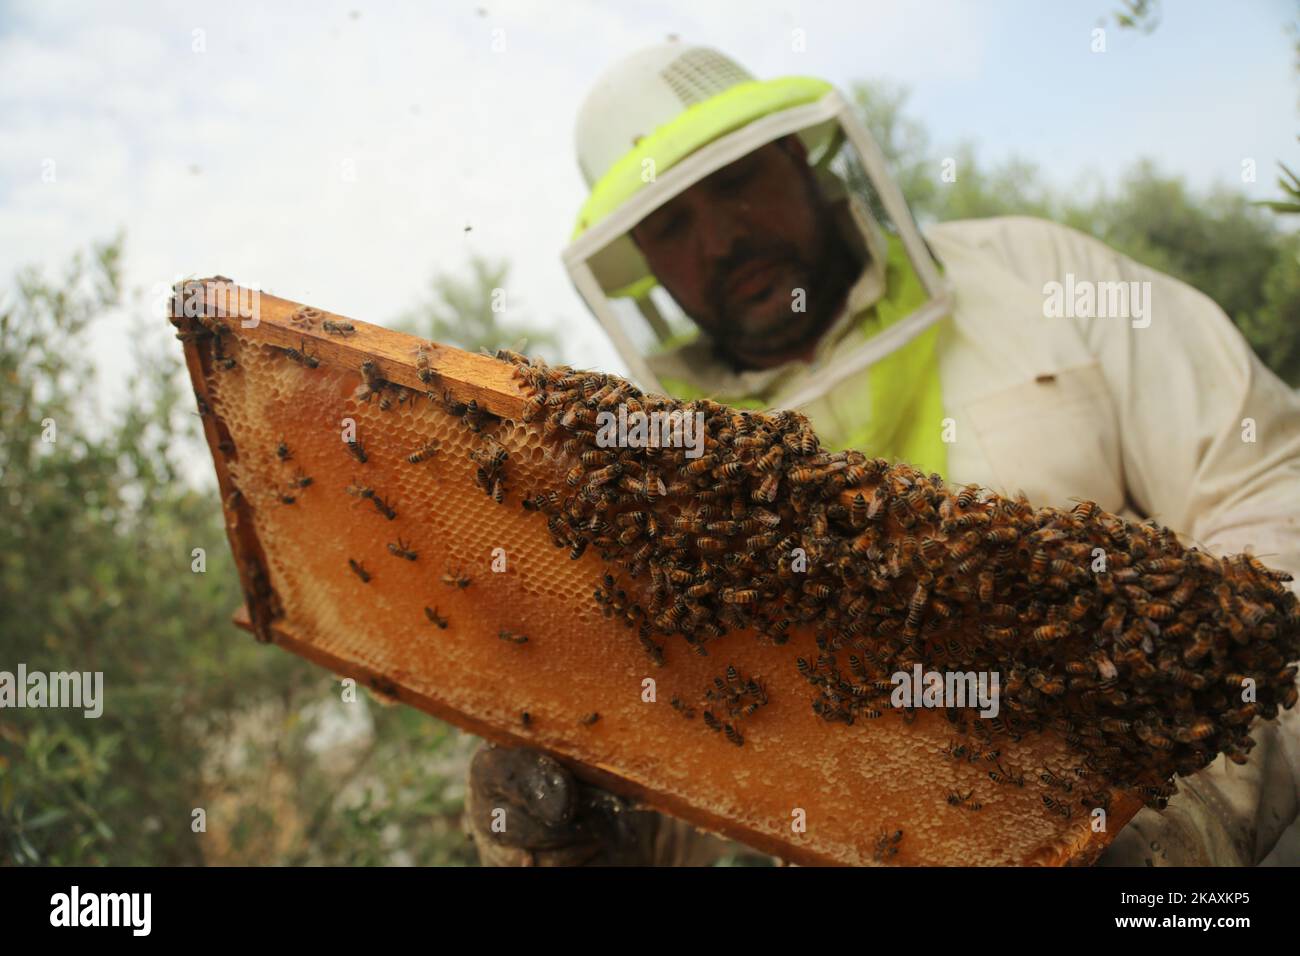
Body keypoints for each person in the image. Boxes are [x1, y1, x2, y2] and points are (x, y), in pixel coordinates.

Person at [465, 41, 1300, 866]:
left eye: (733, 183)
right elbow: (715, 726)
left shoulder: (1036, 276)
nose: (720, 241)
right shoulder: (654, 463)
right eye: (671, 224)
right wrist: (600, 821)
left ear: (798, 155)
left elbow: (1272, 501)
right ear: (642, 263)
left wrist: (1174, 816)